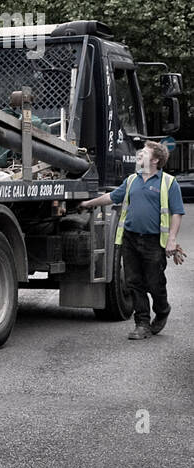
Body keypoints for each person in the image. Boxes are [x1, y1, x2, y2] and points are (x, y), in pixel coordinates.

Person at [79, 140, 185, 340]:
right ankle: (142, 323)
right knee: (134, 282)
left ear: (155, 160)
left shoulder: (168, 182)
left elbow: (177, 212)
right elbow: (112, 197)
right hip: (130, 239)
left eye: (143, 153)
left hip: (154, 242)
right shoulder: (131, 180)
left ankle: (162, 310)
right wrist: (88, 203)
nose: (139, 155)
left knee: (155, 284)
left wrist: (172, 240)